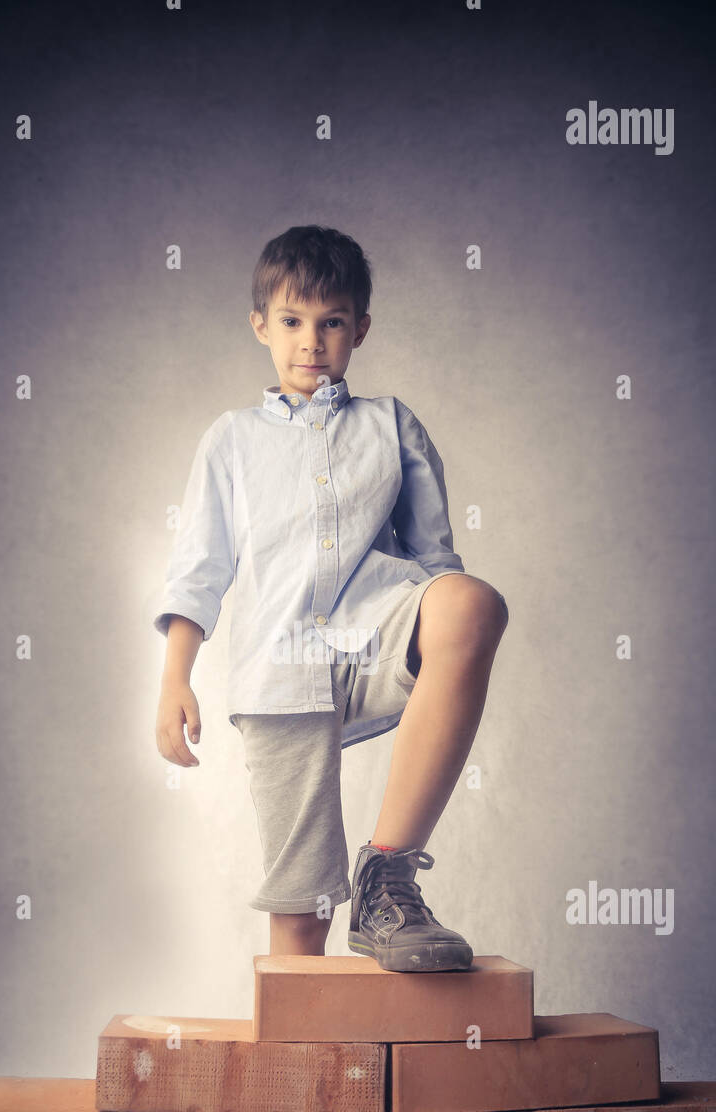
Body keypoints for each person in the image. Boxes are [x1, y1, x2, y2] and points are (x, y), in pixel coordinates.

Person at [154, 225, 508, 972]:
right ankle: (305, 1071)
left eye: (331, 323)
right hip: (278, 673)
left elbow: (436, 562)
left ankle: (387, 874)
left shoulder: (391, 426)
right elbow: (200, 566)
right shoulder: (231, 441)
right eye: (291, 321)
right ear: (260, 325)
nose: (310, 342)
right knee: (301, 915)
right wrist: (173, 678)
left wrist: (440, 631)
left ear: (360, 329)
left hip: (372, 645)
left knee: (470, 602)